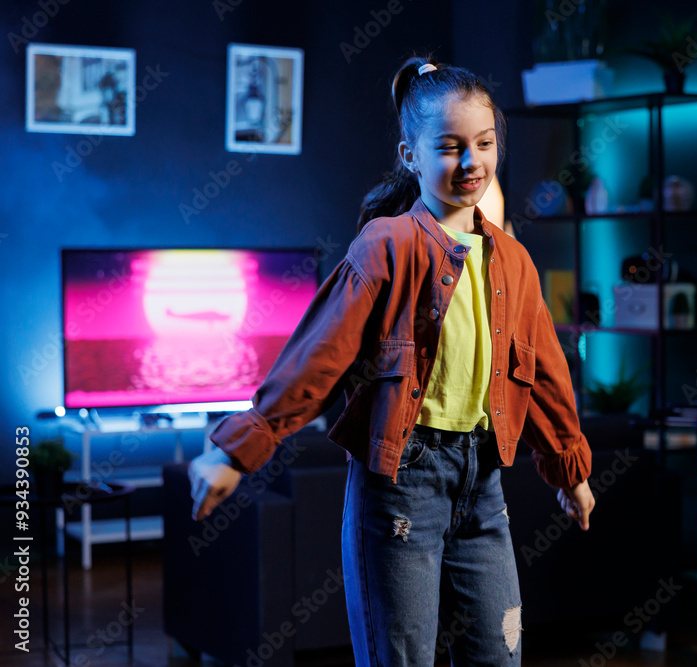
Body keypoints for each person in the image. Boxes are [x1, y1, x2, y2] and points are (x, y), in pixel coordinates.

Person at [187, 55, 596, 666]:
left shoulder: (513, 260)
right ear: (411, 155)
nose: (471, 162)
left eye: (484, 144)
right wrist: (239, 446)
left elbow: (539, 375)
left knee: (499, 653)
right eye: (451, 147)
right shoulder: (387, 244)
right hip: (401, 483)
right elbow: (320, 356)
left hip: (483, 482)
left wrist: (570, 467)